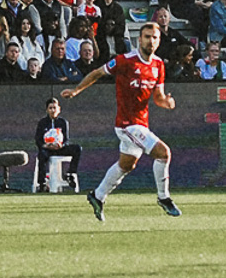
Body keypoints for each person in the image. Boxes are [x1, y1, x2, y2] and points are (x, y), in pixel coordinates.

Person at [62, 20, 179, 220]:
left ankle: (98, 196)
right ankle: (164, 197)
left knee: (126, 165)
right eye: (147, 37)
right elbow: (98, 72)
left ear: (159, 41)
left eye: (155, 38)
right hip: (127, 125)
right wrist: (76, 90)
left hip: (141, 123)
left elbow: (158, 97)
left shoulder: (158, 65)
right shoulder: (125, 60)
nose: (151, 41)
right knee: (163, 153)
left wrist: (167, 102)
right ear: (139, 39)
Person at [35, 96, 82, 188]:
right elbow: (38, 139)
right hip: (47, 149)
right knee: (42, 155)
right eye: (50, 108)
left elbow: (66, 139)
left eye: (54, 108)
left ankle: (70, 174)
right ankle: (42, 183)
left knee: (77, 148)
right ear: (47, 110)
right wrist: (45, 145)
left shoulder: (63, 122)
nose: (53, 110)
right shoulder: (42, 123)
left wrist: (61, 145)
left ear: (59, 109)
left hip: (60, 148)